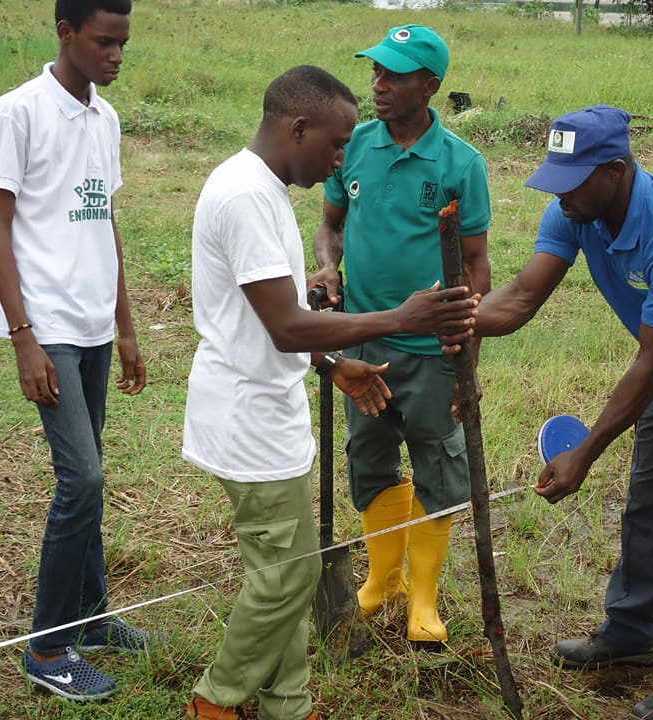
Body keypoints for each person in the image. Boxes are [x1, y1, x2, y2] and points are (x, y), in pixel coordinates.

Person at [442, 105, 653, 720]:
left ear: (617, 170)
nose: (557, 193)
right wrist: (436, 319)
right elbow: (517, 301)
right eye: (553, 179)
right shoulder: (576, 208)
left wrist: (584, 455)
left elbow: (648, 366)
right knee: (649, 509)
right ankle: (631, 636)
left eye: (570, 181)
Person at [181, 65, 478, 720]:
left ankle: (290, 704)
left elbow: (276, 319)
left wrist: (332, 360)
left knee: (282, 575)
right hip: (247, 423)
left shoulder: (264, 191)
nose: (343, 158)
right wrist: (400, 319)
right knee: (289, 579)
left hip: (268, 416)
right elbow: (284, 324)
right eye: (337, 143)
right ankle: (217, 699)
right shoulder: (244, 198)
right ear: (297, 127)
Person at [0, 0, 151, 702]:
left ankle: (94, 616)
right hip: (45, 323)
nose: (116, 56)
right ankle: (48, 648)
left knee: (93, 472)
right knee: (81, 480)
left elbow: (103, 218)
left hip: (93, 324)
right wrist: (23, 338)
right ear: (66, 33)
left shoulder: (105, 120)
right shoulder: (17, 112)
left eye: (124, 44)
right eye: (104, 42)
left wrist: (127, 324)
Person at [311, 24, 492, 646]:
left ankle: (423, 598)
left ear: (431, 85)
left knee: (439, 469)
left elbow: (476, 265)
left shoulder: (461, 164)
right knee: (371, 461)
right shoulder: (354, 145)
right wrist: (329, 264)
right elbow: (330, 225)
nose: (379, 85)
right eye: (376, 72)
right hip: (362, 342)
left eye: (395, 75)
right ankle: (381, 581)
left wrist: (467, 353)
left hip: (432, 353)